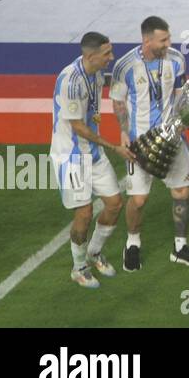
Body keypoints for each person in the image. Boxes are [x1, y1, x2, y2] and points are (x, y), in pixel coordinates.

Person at [111, 16, 189, 270]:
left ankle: (180, 247)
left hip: (172, 136)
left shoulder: (176, 60)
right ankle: (132, 243)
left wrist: (185, 118)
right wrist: (122, 131)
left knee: (182, 192)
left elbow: (180, 95)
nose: (168, 43)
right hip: (139, 143)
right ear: (147, 40)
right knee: (138, 200)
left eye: (169, 38)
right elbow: (118, 102)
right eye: (163, 40)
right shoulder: (124, 66)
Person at [51, 32, 133, 289]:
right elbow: (78, 127)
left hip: (93, 153)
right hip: (71, 157)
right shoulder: (70, 81)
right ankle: (78, 268)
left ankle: (94, 252)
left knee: (114, 203)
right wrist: (114, 146)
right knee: (84, 213)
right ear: (90, 55)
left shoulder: (95, 72)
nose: (112, 57)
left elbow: (110, 89)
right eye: (107, 53)